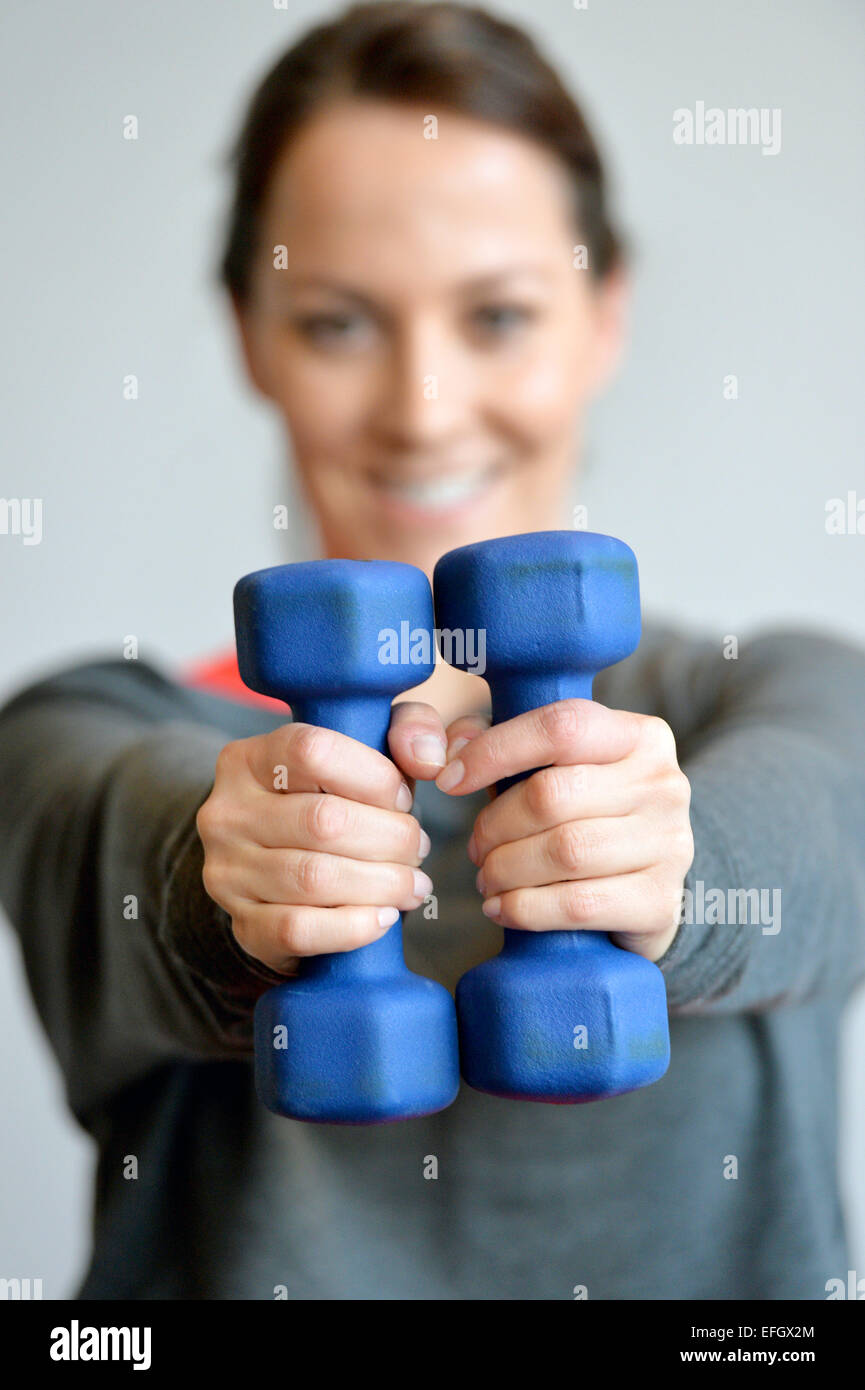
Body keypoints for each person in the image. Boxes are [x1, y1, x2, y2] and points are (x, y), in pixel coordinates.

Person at [2, 0, 864, 1300]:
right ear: (249, 335)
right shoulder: (86, 726)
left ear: (605, 315)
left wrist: (681, 867)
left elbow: (831, 823)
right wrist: (216, 878)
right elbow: (101, 832)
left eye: (498, 315)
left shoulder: (776, 696)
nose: (423, 408)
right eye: (338, 322)